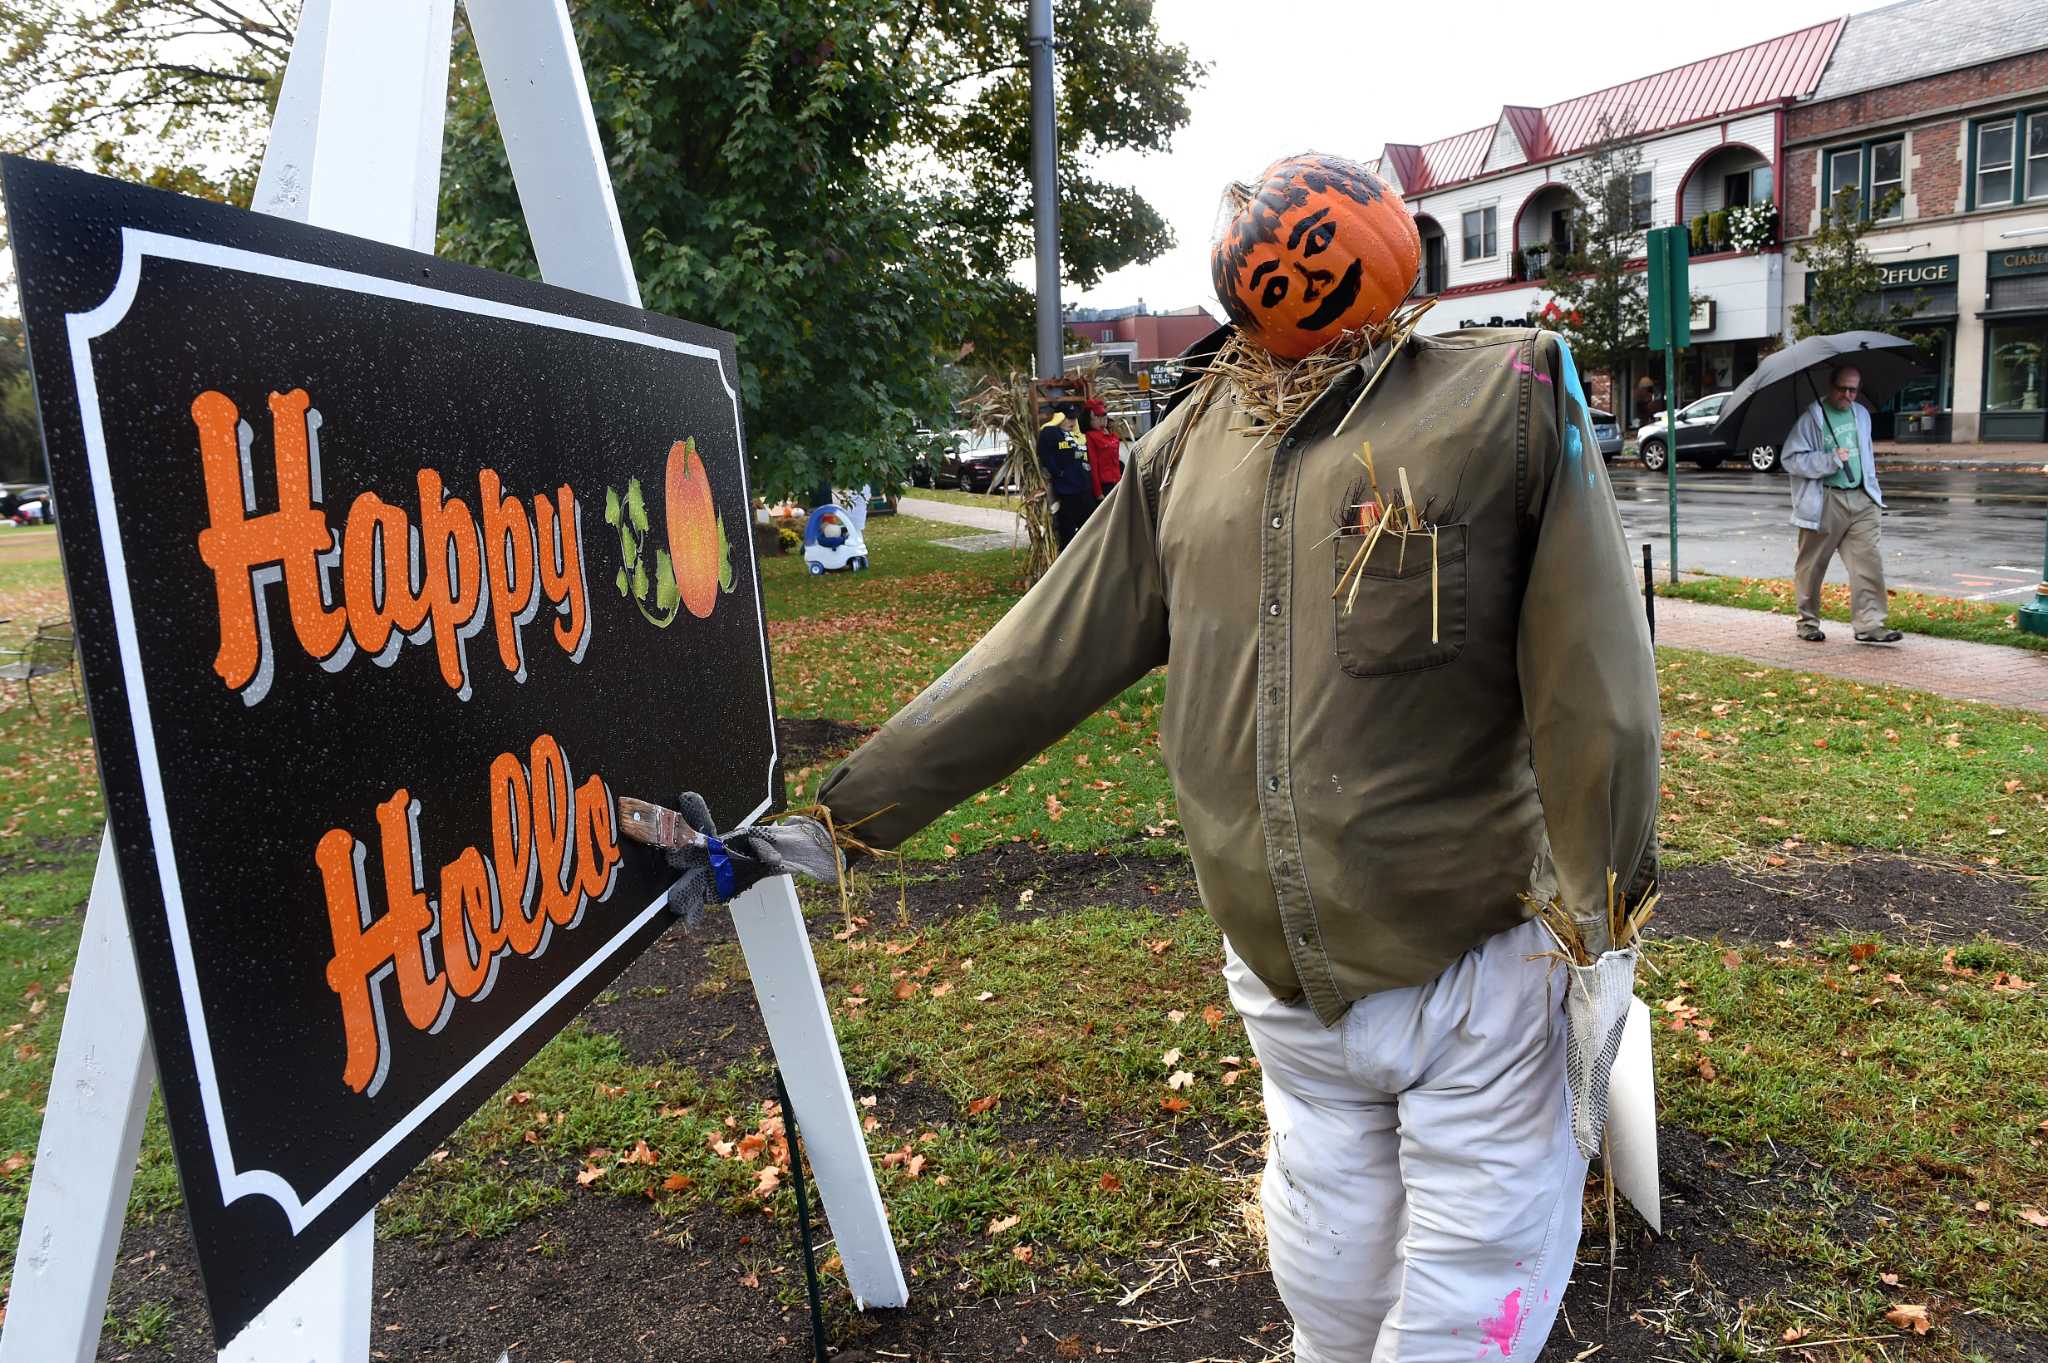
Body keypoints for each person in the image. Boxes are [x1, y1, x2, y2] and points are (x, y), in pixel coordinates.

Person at [815, 326, 1659, 1363]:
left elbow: (1594, 678)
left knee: (1471, 1279)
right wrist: (847, 815)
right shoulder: (1185, 449)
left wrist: (1600, 919)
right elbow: (1041, 653)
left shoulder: (1503, 396)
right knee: (1328, 1266)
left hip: (1475, 967)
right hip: (1285, 984)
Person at [1780, 364, 1902, 644]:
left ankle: (1870, 624)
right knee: (1812, 566)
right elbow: (1791, 459)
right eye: (1842, 389)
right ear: (1831, 386)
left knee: (1868, 563)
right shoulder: (1812, 418)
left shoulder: (1861, 414)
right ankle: (1807, 622)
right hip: (1826, 499)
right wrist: (1829, 459)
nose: (1847, 395)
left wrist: (1871, 489)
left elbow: (1865, 455)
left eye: (1853, 390)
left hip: (1862, 498)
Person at [1035, 402, 1094, 548]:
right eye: (1068, 418)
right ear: (1059, 417)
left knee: (1089, 528)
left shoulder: (1078, 433)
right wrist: (1058, 472)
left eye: (1074, 418)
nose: (1072, 422)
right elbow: (1044, 453)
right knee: (1068, 531)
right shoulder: (1051, 433)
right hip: (1067, 490)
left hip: (1084, 488)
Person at [1082, 399, 1123, 502]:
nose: (1102, 420)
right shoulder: (1091, 436)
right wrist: (1098, 492)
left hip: (1117, 481)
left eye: (1103, 416)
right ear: (1089, 419)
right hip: (1105, 485)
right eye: (1097, 417)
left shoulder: (1111, 435)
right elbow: (1093, 465)